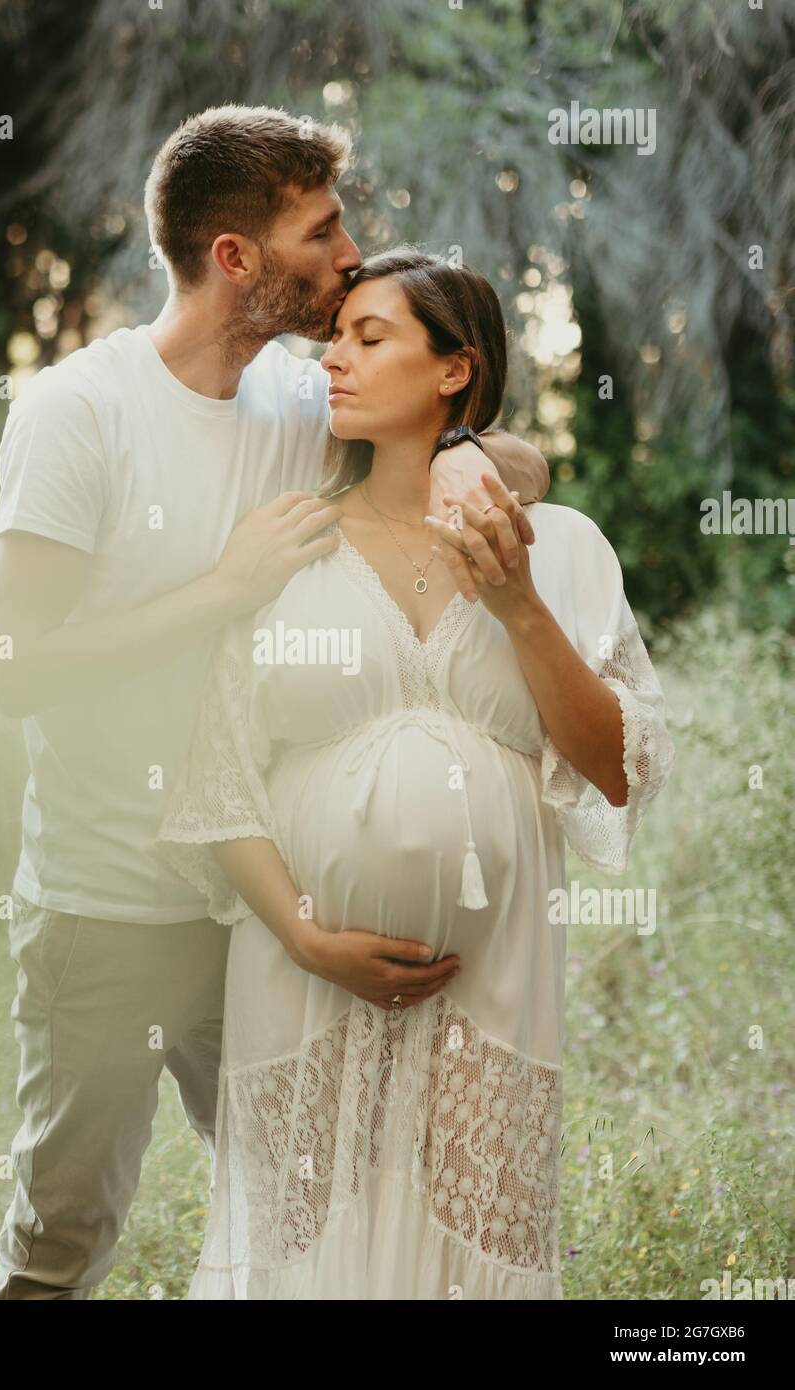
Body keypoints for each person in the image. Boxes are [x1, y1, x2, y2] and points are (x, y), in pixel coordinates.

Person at [0, 106, 550, 1299]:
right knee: (62, 1240)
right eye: (322, 230)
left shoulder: (304, 400)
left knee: (302, 1226)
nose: (349, 255)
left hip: (264, 911)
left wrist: (465, 460)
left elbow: (499, 451)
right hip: (111, 905)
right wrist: (222, 590)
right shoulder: (76, 412)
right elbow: (13, 665)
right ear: (237, 257)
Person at [155, 247, 676, 1300]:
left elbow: (616, 768)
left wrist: (519, 601)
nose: (332, 360)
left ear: (455, 370)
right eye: (332, 338)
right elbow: (219, 779)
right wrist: (305, 936)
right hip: (302, 983)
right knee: (308, 1266)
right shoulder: (287, 542)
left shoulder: (562, 549)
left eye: (368, 336)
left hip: (491, 992)